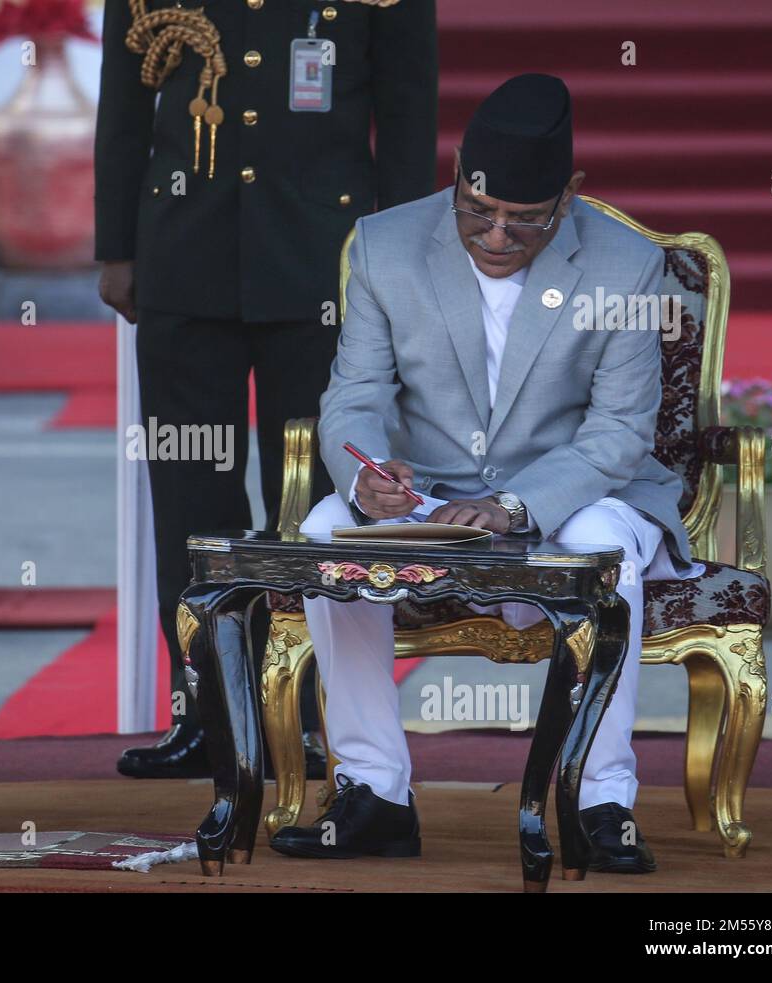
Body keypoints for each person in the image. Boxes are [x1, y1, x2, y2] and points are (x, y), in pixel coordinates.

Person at [268, 74, 701, 873]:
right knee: (329, 529)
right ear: (460, 170)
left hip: (574, 490)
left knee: (604, 543)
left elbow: (617, 435)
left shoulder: (627, 265)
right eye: (478, 209)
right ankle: (374, 793)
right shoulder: (385, 244)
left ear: (569, 195)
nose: (496, 235)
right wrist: (365, 475)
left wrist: (513, 504)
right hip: (427, 486)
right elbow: (355, 395)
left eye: (525, 220)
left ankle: (596, 798)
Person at [96, 0, 438, 778]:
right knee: (191, 500)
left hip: (323, 261)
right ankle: (211, 713)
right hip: (185, 252)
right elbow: (124, 99)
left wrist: (404, 247)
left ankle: (317, 716)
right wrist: (117, 242)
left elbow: (408, 107)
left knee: (320, 501)